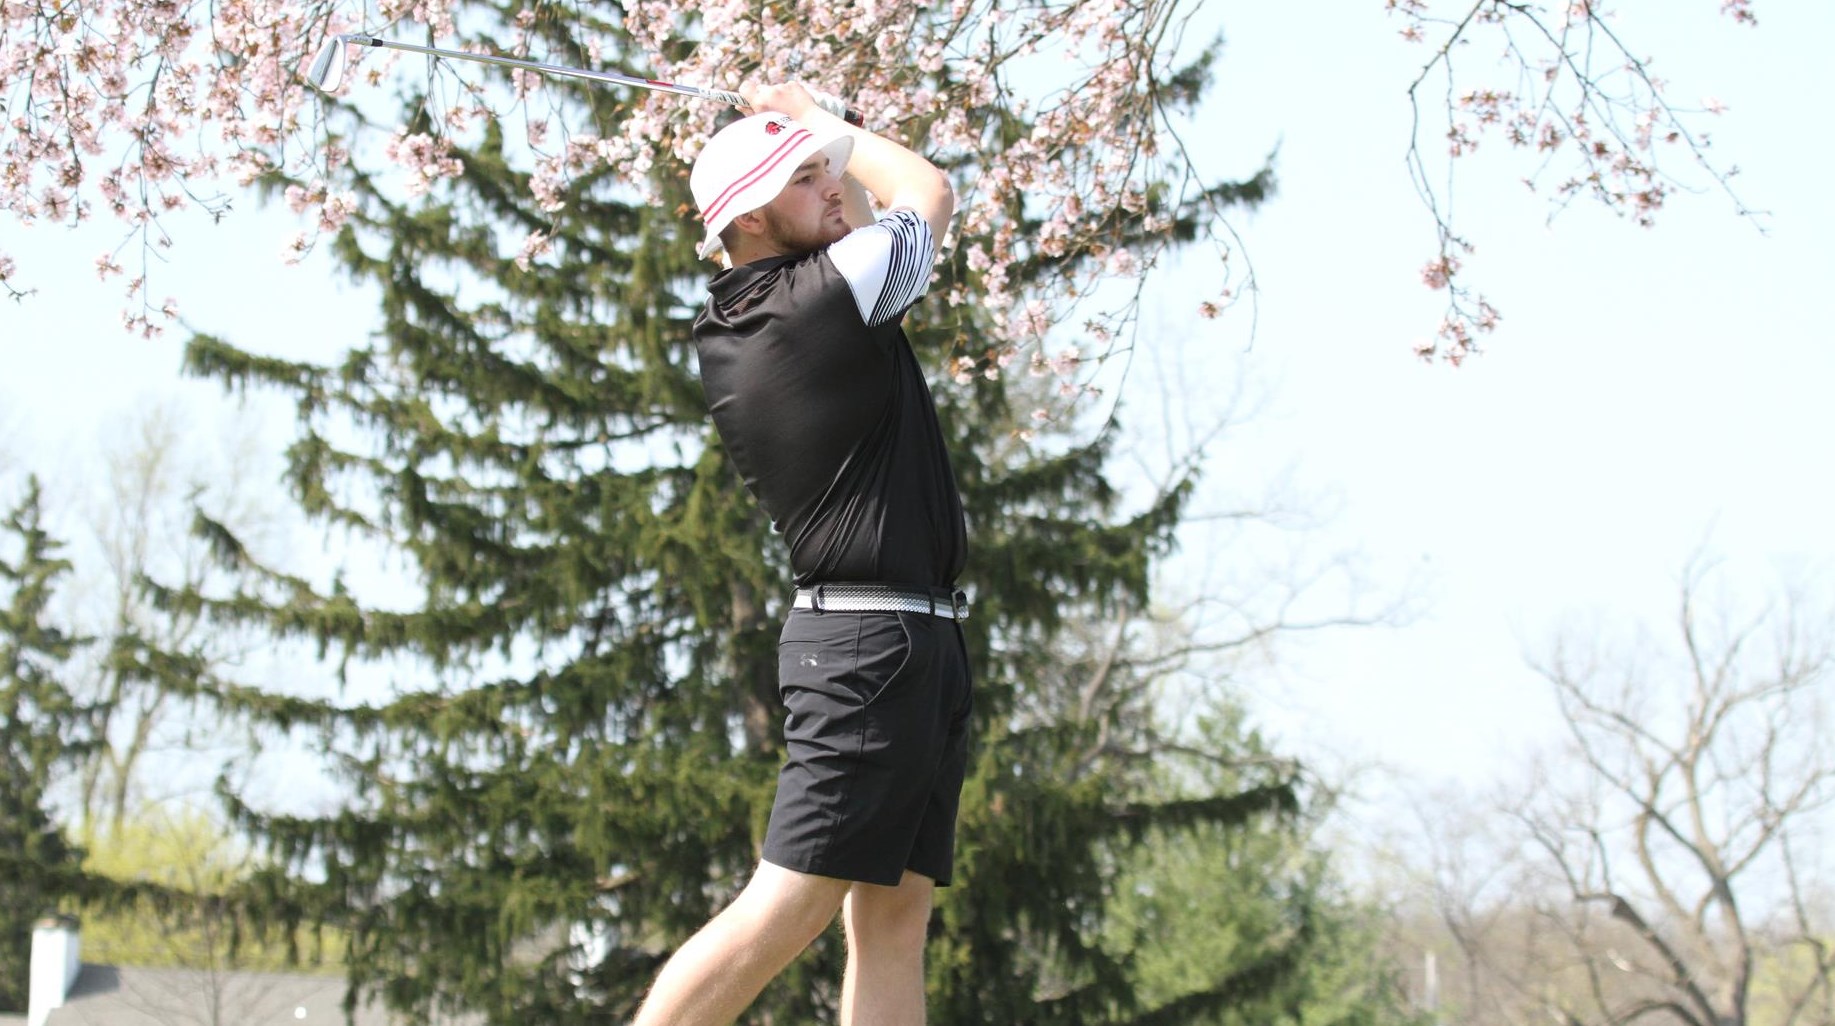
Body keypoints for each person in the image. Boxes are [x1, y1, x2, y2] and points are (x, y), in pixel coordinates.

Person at [629, 82, 970, 1026]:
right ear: (743, 215)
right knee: (791, 902)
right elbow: (928, 194)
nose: (830, 187)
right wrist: (838, 128)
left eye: (826, 174)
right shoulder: (810, 305)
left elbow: (868, 224)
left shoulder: (799, 299)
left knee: (895, 917)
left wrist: (810, 138)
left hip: (911, 641)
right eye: (803, 178)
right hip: (871, 650)